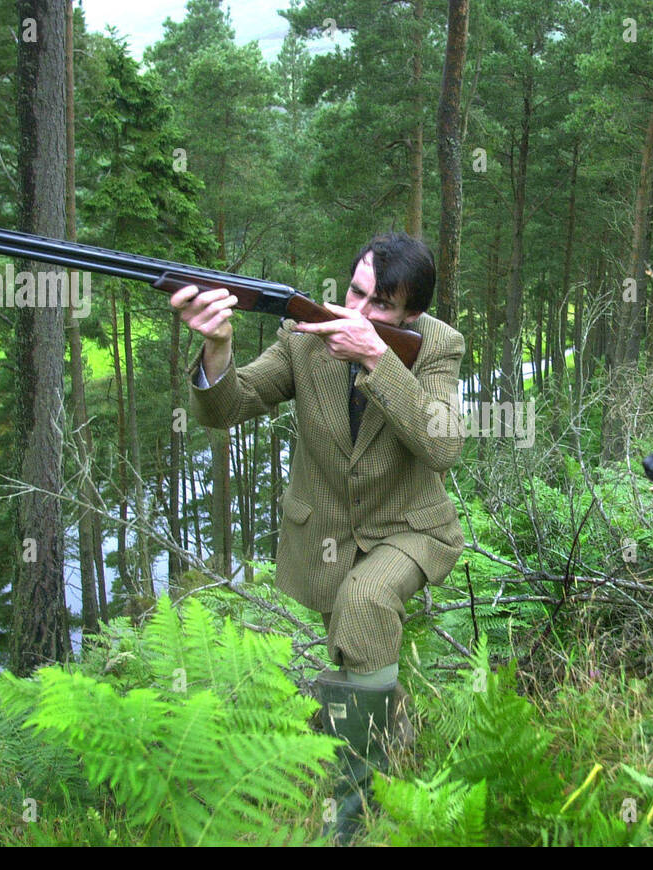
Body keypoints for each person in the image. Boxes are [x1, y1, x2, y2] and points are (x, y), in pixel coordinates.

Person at [172, 233, 465, 839]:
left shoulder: (436, 346)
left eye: (379, 306)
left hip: (411, 527)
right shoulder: (304, 338)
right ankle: (391, 748)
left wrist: (376, 360)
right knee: (353, 647)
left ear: (411, 315)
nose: (356, 314)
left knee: (365, 601)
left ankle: (353, 822)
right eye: (355, 292)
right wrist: (217, 346)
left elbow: (442, 444)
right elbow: (232, 404)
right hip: (329, 534)